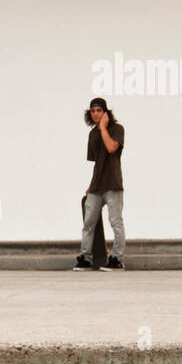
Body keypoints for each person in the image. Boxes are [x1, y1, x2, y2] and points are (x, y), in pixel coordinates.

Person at [75, 98, 125, 270]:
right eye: (93, 111)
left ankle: (117, 259)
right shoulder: (92, 134)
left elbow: (111, 148)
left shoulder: (117, 129)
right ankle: (86, 258)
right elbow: (98, 162)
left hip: (113, 184)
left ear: (105, 113)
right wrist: (91, 185)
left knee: (115, 222)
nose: (95, 113)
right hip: (97, 186)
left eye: (99, 110)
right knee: (89, 223)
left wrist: (103, 128)